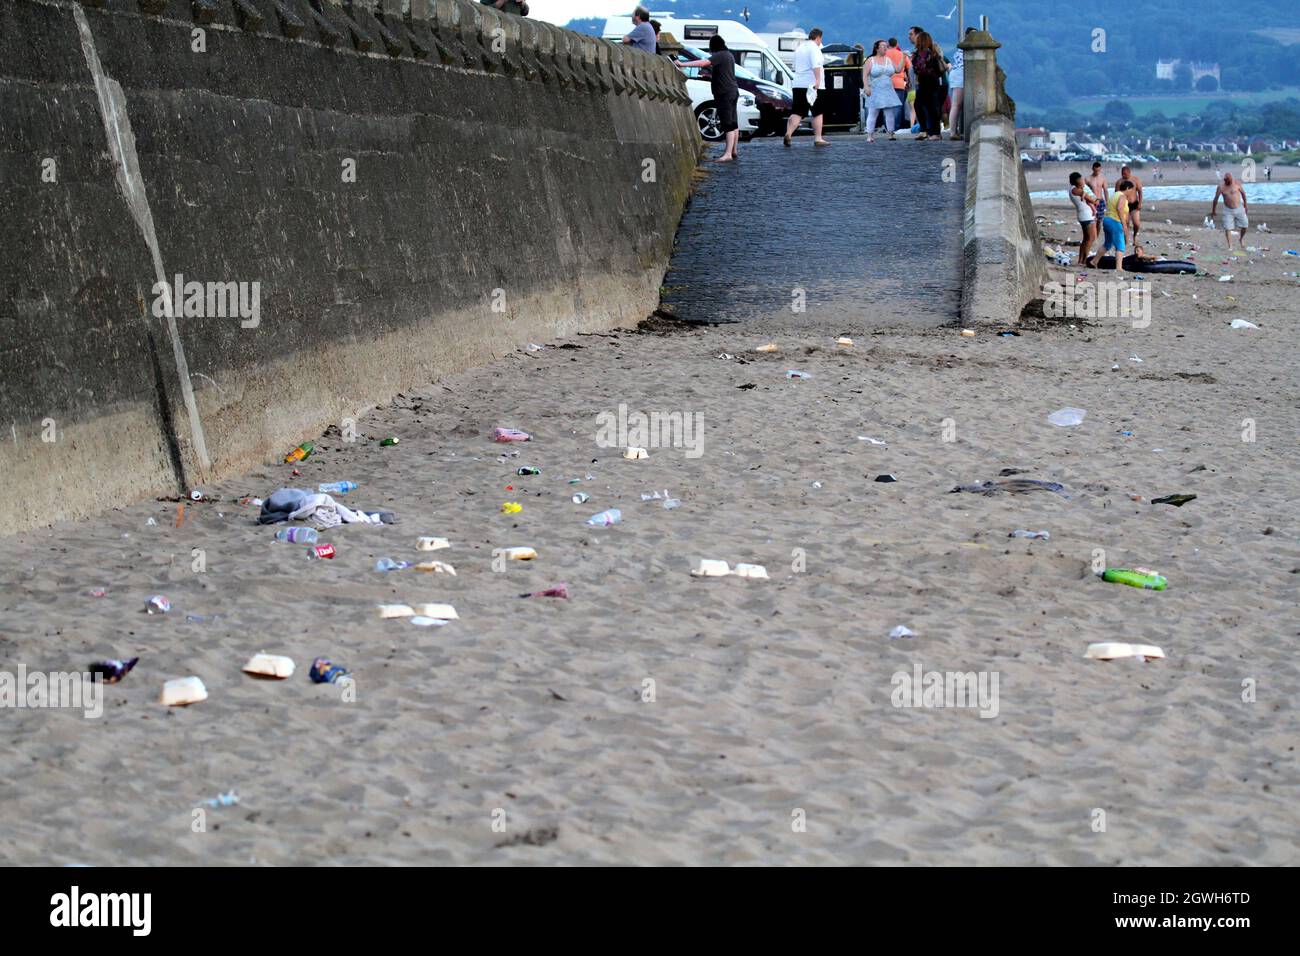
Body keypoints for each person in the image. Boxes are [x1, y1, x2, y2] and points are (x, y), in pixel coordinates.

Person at [680, 36, 740, 162]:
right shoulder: (729, 55)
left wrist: (682, 63)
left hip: (724, 93)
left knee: (727, 123)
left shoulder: (720, 55)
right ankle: (734, 150)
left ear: (714, 46)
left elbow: (703, 63)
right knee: (734, 122)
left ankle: (727, 154)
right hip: (733, 90)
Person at [785, 28, 830, 148]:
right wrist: (818, 81)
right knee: (818, 112)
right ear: (818, 37)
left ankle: (788, 133)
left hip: (798, 83)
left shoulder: (800, 48)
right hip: (812, 85)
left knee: (797, 112)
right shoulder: (814, 48)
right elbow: (816, 65)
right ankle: (818, 138)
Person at [862, 40, 898, 142]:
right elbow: (864, 75)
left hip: (887, 89)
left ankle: (891, 133)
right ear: (877, 48)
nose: (885, 48)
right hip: (875, 89)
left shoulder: (889, 60)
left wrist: (904, 57)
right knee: (873, 112)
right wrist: (866, 87)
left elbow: (898, 69)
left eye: (886, 46)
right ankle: (870, 135)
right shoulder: (871, 60)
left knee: (889, 113)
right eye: (882, 46)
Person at [911, 31, 944, 139]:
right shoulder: (932, 54)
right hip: (930, 82)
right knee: (925, 106)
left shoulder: (921, 54)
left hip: (927, 82)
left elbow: (916, 69)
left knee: (929, 107)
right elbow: (939, 71)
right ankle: (928, 130)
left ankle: (933, 132)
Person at [1100, 179, 1136, 273]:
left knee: (1107, 244)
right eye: (1131, 190)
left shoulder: (1115, 195)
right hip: (1115, 221)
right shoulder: (1122, 196)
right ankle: (1119, 267)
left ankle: (1094, 261)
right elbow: (1120, 208)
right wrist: (1124, 225)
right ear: (1127, 188)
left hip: (1107, 220)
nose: (1132, 192)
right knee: (1120, 245)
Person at [1211, 172, 1250, 250]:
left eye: (1230, 180)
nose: (1229, 182)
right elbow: (1215, 199)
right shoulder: (1221, 187)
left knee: (1245, 226)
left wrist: (1245, 205)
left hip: (1239, 208)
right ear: (1225, 180)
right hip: (1228, 210)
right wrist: (1213, 211)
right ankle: (1230, 246)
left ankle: (1241, 239)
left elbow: (1243, 194)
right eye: (1227, 181)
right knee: (1228, 228)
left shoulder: (1237, 183)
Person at [946, 29, 972, 140]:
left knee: (957, 105)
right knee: (956, 105)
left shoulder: (961, 50)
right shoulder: (966, 50)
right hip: (959, 76)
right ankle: (952, 132)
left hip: (956, 75)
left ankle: (954, 130)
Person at [1069, 172, 1098, 267]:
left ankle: (1081, 260)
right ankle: (1084, 260)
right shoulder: (1075, 190)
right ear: (1076, 181)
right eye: (1080, 180)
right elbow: (1092, 200)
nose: (1083, 181)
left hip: (1086, 215)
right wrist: (1095, 201)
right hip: (1086, 216)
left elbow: (1086, 195)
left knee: (1086, 238)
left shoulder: (1076, 189)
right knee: (1091, 238)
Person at [884, 38, 911, 136]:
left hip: (886, 83)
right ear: (897, 44)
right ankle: (896, 127)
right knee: (898, 106)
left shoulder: (885, 54)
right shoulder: (901, 54)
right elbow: (909, 67)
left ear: (888, 44)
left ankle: (888, 127)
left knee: (887, 106)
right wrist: (908, 81)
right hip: (899, 83)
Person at [1120, 164, 1144, 247]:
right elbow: (1117, 194)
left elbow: (1140, 192)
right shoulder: (1119, 182)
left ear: (1129, 172)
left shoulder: (1135, 180)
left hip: (1134, 204)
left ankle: (1134, 236)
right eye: (1122, 174)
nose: (1124, 175)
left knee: (1136, 224)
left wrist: (1140, 203)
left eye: (1125, 174)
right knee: (1126, 223)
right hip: (1124, 205)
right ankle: (1126, 238)